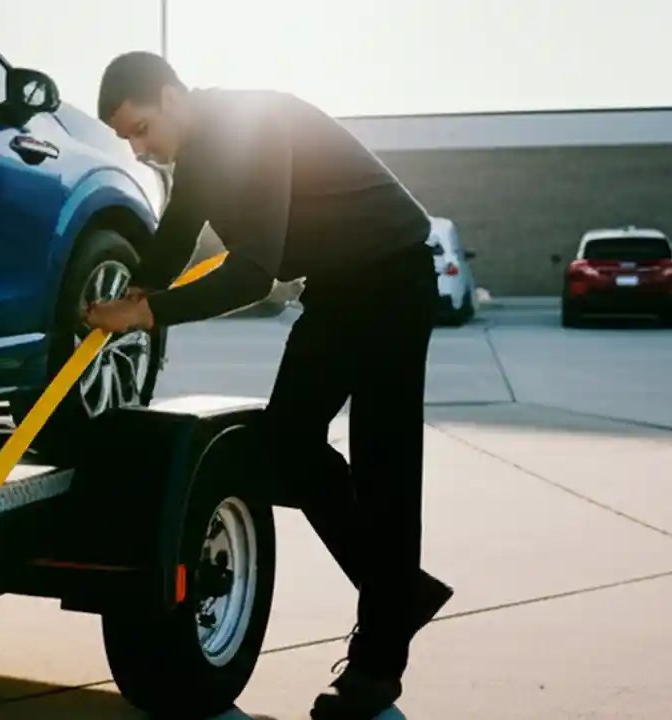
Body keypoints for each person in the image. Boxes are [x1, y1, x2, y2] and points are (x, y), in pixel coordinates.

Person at [83, 51, 455, 719]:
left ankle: (377, 669)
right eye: (125, 140)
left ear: (170, 97)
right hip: (339, 289)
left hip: (394, 277)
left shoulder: (245, 128)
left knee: (383, 463)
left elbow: (252, 273)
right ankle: (399, 593)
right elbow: (175, 236)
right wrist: (134, 284)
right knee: (285, 439)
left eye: (140, 129)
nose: (139, 149)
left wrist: (148, 312)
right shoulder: (198, 154)